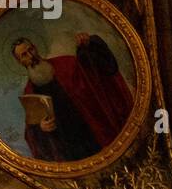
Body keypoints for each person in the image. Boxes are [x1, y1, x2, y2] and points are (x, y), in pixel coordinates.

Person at [12, 34, 133, 163]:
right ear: (20, 61)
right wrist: (41, 127)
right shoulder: (29, 92)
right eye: (24, 55)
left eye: (31, 49)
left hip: (92, 130)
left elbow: (96, 76)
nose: (31, 56)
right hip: (68, 145)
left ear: (35, 48)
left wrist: (89, 46)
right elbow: (32, 131)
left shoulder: (67, 63)